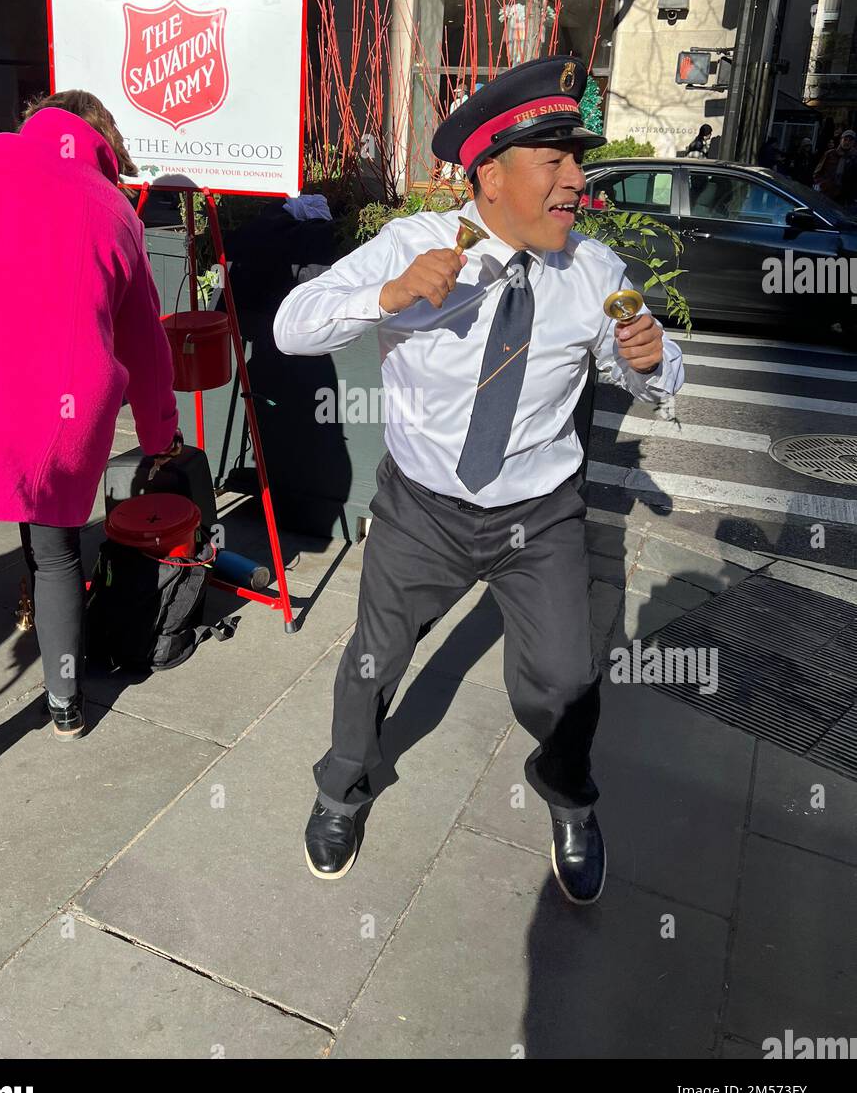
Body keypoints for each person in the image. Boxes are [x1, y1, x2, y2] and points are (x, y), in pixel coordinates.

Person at [274, 56, 685, 904]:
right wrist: (384, 296)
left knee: (567, 676)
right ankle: (339, 789)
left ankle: (568, 799)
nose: (577, 183)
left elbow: (650, 364)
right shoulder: (413, 249)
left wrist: (652, 362)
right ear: (490, 176)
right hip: (423, 510)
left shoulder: (592, 272)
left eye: (578, 162)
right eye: (556, 163)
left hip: (540, 517)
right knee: (372, 662)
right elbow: (289, 327)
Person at [0, 89, 180, 817]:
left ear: (40, 120)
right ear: (103, 143)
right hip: (67, 428)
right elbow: (146, 339)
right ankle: (66, 705)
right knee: (55, 559)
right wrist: (161, 433)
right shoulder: (117, 212)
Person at [814, 128, 857, 203]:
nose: (847, 142)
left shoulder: (854, 158)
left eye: (850, 140)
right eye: (845, 139)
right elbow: (817, 172)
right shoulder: (830, 154)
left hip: (845, 197)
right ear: (841, 140)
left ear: (853, 143)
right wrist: (822, 185)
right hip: (827, 193)